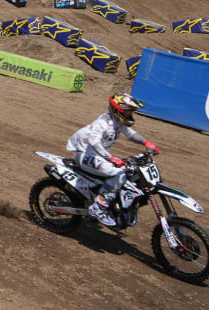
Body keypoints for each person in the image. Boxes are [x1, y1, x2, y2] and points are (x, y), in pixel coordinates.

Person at [67, 93, 157, 226]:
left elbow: (131, 134)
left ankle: (112, 203)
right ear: (118, 110)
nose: (130, 115)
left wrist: (146, 143)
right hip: (85, 155)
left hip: (98, 156)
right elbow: (93, 141)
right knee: (118, 174)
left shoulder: (118, 122)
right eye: (128, 111)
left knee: (129, 172)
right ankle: (99, 207)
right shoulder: (102, 123)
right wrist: (111, 158)